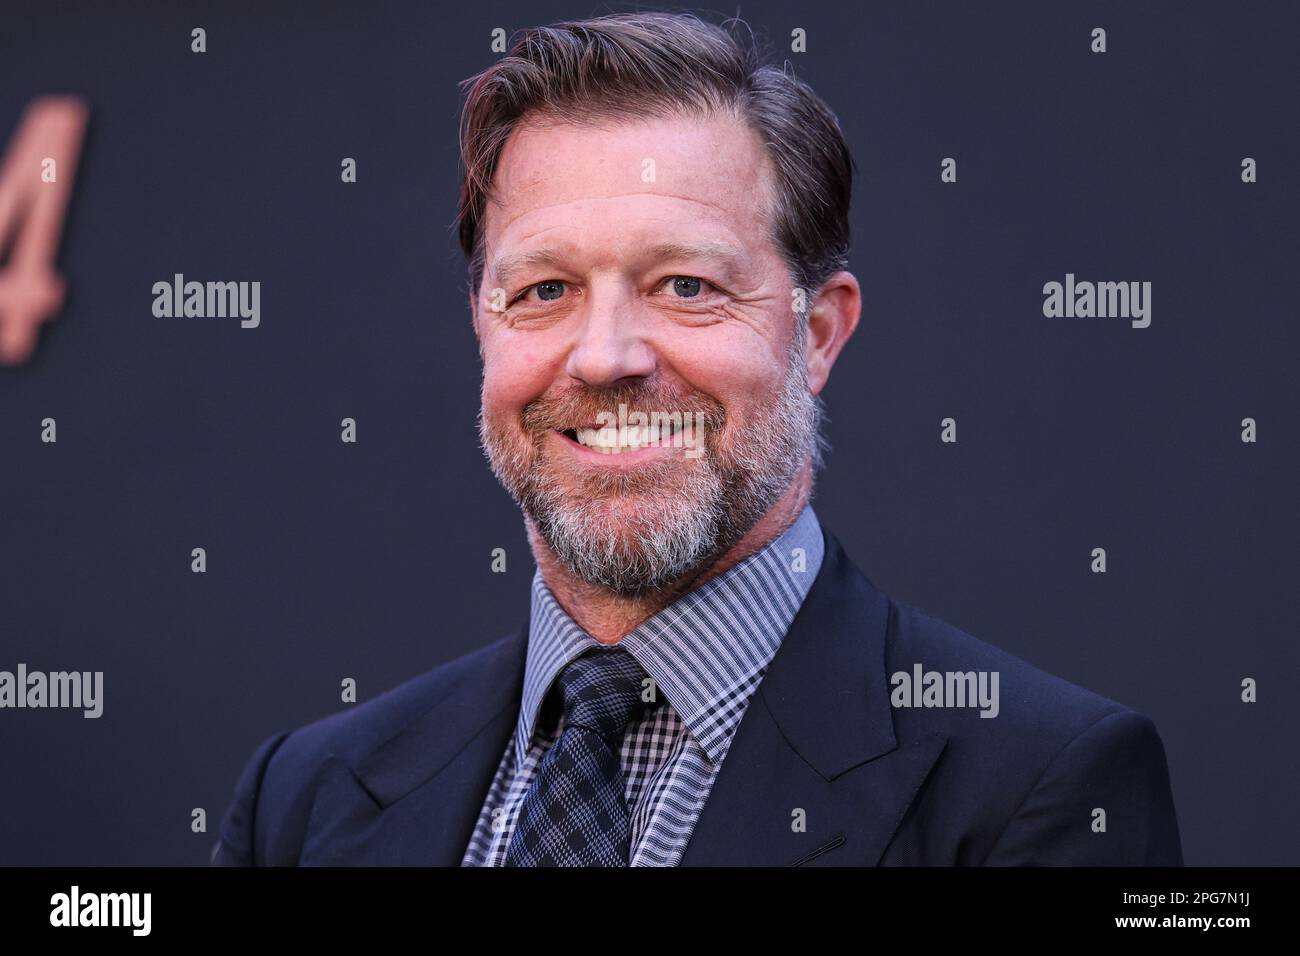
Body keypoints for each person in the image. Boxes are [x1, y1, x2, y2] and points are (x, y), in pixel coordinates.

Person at [212, 11, 1182, 866]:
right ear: (483, 325)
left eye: (686, 285)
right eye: (544, 290)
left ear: (816, 333)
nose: (604, 357)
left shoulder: (1038, 787)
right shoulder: (304, 798)